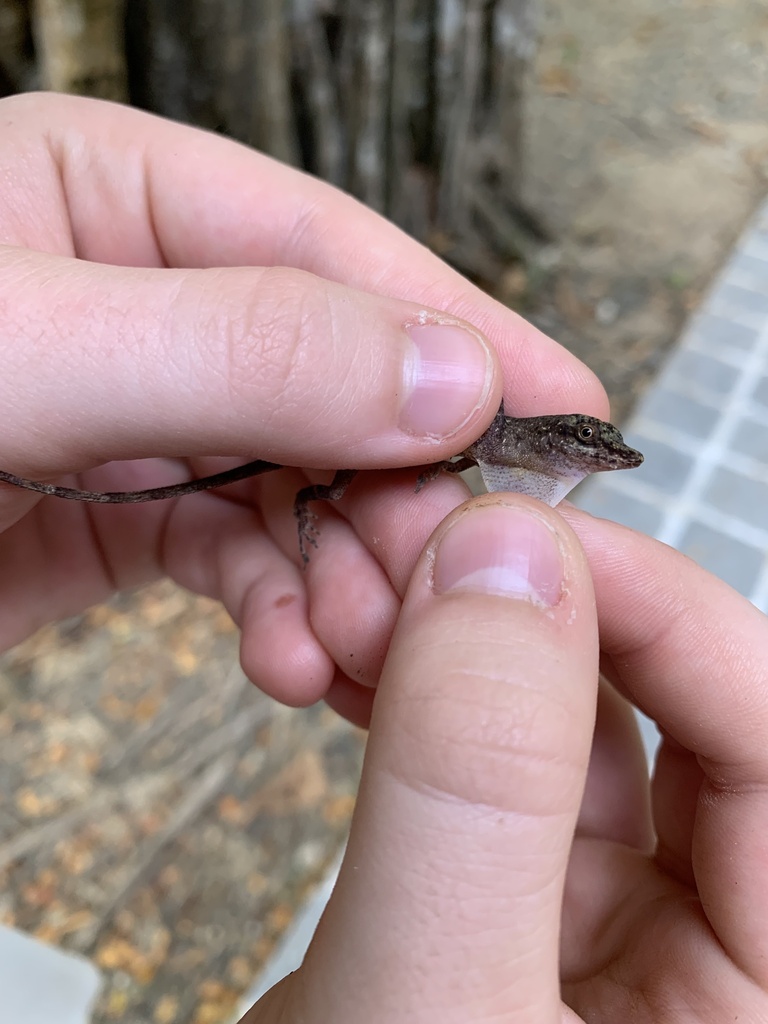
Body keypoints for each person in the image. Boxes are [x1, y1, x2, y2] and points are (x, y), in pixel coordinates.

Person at [1, 91, 766, 1023]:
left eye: (603, 453)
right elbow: (461, 443)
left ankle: (297, 499)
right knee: (305, 479)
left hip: (421, 444)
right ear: (566, 448)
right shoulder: (499, 425)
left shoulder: (522, 435)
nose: (610, 464)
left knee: (308, 491)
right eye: (598, 453)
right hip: (397, 436)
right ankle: (304, 498)